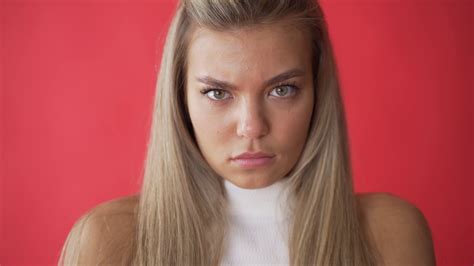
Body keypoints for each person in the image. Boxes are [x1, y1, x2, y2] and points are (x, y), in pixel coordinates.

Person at [58, 0, 436, 265]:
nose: (251, 127)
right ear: (179, 97)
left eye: (281, 89)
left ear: (318, 91)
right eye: (218, 93)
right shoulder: (108, 242)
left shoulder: (391, 235)